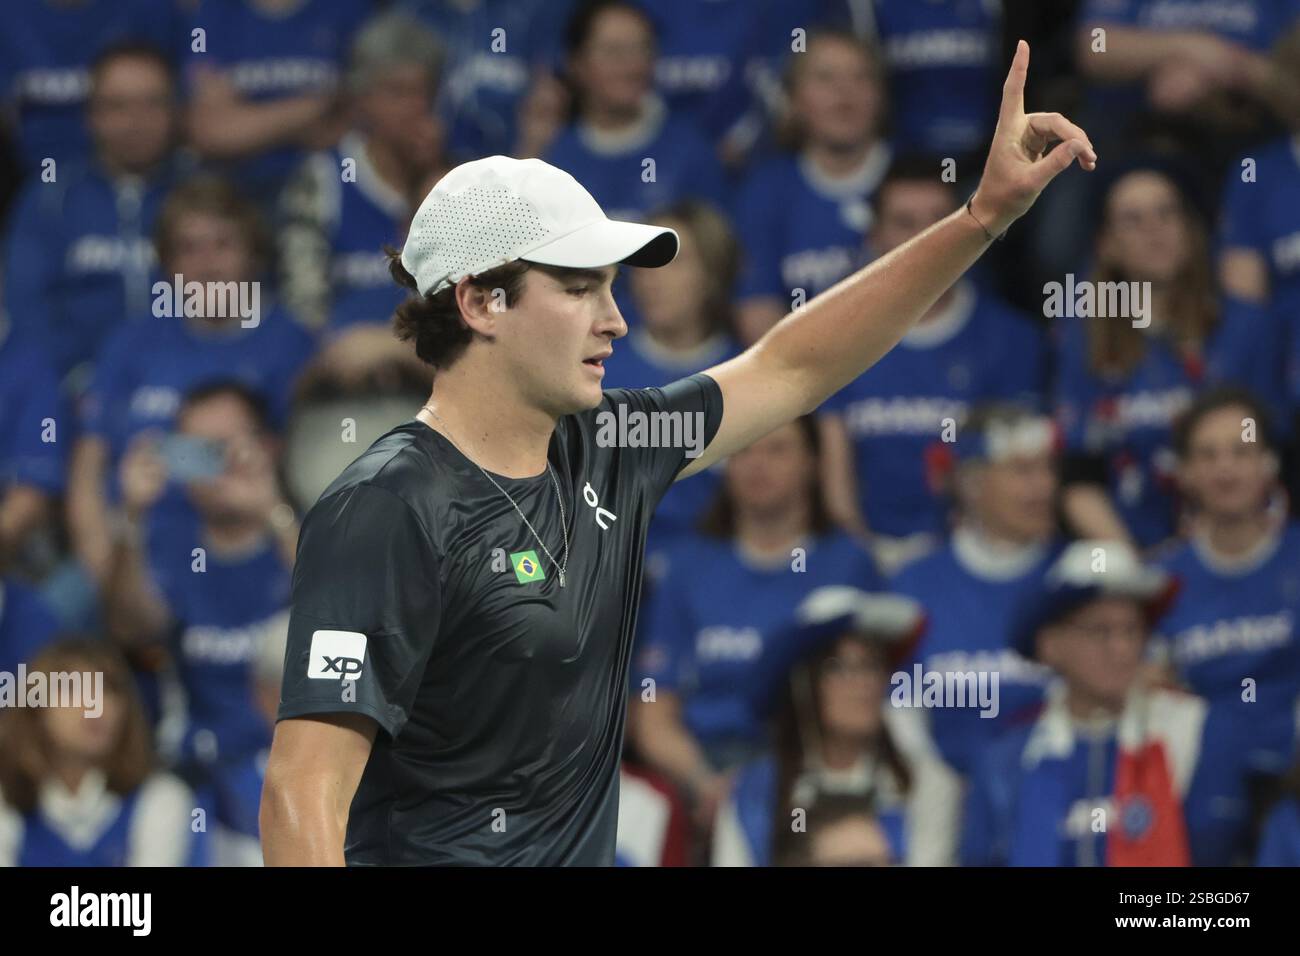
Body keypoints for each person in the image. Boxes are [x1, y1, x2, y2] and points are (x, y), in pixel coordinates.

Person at [260, 41, 1098, 866]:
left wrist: (980, 220)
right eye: (580, 287)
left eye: (613, 289)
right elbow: (303, 796)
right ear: (482, 302)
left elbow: (792, 364)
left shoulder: (616, 447)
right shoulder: (387, 506)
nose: (615, 320)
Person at [67, 176, 316, 595]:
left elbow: (311, 475)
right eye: (189, 248)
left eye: (223, 244)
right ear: (166, 263)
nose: (207, 264)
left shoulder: (292, 346)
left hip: (254, 554)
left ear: (253, 254)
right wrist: (105, 573)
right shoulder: (130, 343)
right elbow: (88, 468)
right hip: (135, 550)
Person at [630, 418, 882, 826]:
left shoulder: (850, 564)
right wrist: (706, 783)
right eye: (742, 450)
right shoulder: (686, 567)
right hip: (706, 765)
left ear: (812, 462)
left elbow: (867, 696)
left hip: (816, 764)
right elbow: (654, 716)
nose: (756, 465)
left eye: (777, 450)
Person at [962, 540, 1253, 866]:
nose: (1122, 649)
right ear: (1050, 645)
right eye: (1100, 631)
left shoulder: (1196, 729)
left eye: (1132, 630)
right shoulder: (1007, 759)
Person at [818, 156, 1049, 551]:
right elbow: (838, 491)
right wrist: (868, 557)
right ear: (874, 236)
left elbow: (1021, 483)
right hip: (868, 557)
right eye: (904, 222)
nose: (925, 236)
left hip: (981, 555)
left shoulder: (1013, 340)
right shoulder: (838, 336)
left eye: (940, 219)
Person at [1053, 164, 1282, 550]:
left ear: (1191, 231)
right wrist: (1140, 570)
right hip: (1130, 556)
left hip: (1241, 549)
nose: (1153, 229)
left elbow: (1276, 460)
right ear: (1106, 243)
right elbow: (1078, 479)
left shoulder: (1248, 327)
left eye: (1166, 213)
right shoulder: (1081, 339)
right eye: (1133, 219)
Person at [103, 381, 298, 776]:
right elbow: (132, 630)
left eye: (230, 445)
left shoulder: (307, 532)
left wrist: (270, 509)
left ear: (270, 446)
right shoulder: (167, 546)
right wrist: (132, 516)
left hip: (300, 766)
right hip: (199, 775)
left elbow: (348, 610)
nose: (220, 464)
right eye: (198, 452)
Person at [712, 586, 960, 867]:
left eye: (873, 665)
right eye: (841, 667)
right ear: (803, 685)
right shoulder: (753, 792)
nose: (865, 684)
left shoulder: (925, 784)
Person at [890, 404, 1061, 775]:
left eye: (1046, 468)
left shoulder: (1072, 576)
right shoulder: (913, 584)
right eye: (1021, 471)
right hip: (942, 796)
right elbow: (898, 710)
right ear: (972, 483)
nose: (1043, 487)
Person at [3, 42, 187, 382]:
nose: (136, 122)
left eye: (153, 103)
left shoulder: (206, 193)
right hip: (73, 386)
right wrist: (80, 381)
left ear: (177, 110)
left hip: (193, 386)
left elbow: (240, 302)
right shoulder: (50, 198)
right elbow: (26, 310)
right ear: (92, 116)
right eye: (118, 106)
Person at [1154, 387, 1300, 777]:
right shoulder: (1158, 582)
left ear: (1269, 464)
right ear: (1184, 472)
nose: (1226, 469)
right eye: (1208, 454)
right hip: (1202, 785)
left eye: (1241, 451)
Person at [731, 28, 892, 344]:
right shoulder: (765, 191)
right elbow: (757, 314)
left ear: (880, 95)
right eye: (825, 78)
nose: (844, 94)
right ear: (794, 100)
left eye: (860, 77)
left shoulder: (918, 182)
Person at [603, 199, 741, 548]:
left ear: (712, 275)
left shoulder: (741, 373)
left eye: (674, 263)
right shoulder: (597, 366)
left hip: (711, 568)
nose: (653, 280)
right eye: (646, 263)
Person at [0, 640, 205, 866]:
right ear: (36, 712)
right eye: (74, 690)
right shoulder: (7, 799)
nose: (97, 706)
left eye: (110, 690)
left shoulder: (162, 797)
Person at [544, 0, 729, 224]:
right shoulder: (554, 155)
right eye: (613, 52)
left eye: (642, 49)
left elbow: (715, 249)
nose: (632, 66)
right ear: (576, 64)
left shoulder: (691, 153)